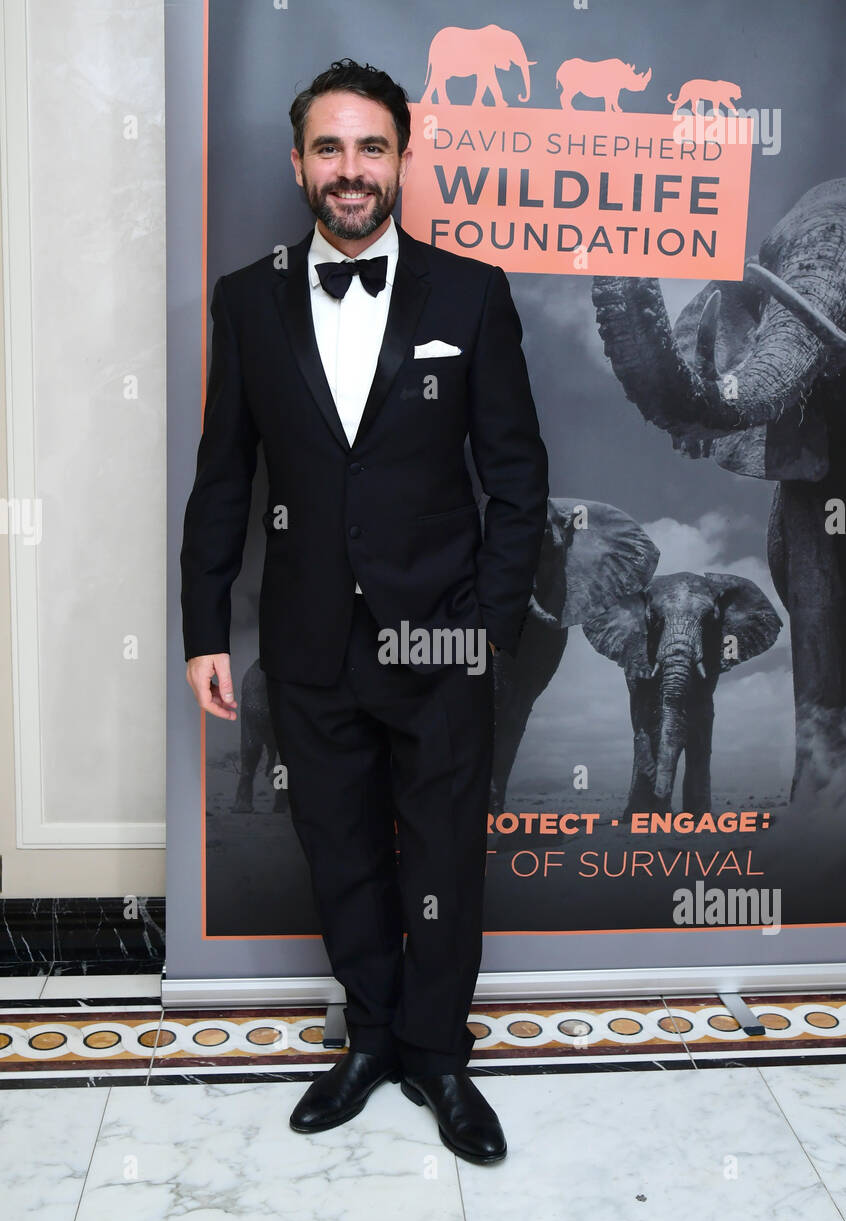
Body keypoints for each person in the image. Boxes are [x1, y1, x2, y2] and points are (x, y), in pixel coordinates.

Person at [181, 58, 548, 1164]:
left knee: (441, 856)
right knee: (339, 851)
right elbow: (223, 476)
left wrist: (484, 620)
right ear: (298, 164)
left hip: (441, 637)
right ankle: (373, 1035)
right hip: (305, 640)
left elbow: (518, 472)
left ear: (402, 159)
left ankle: (439, 1056)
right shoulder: (246, 298)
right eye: (329, 149)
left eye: (371, 147)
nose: (351, 171)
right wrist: (205, 627)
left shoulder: (469, 293)